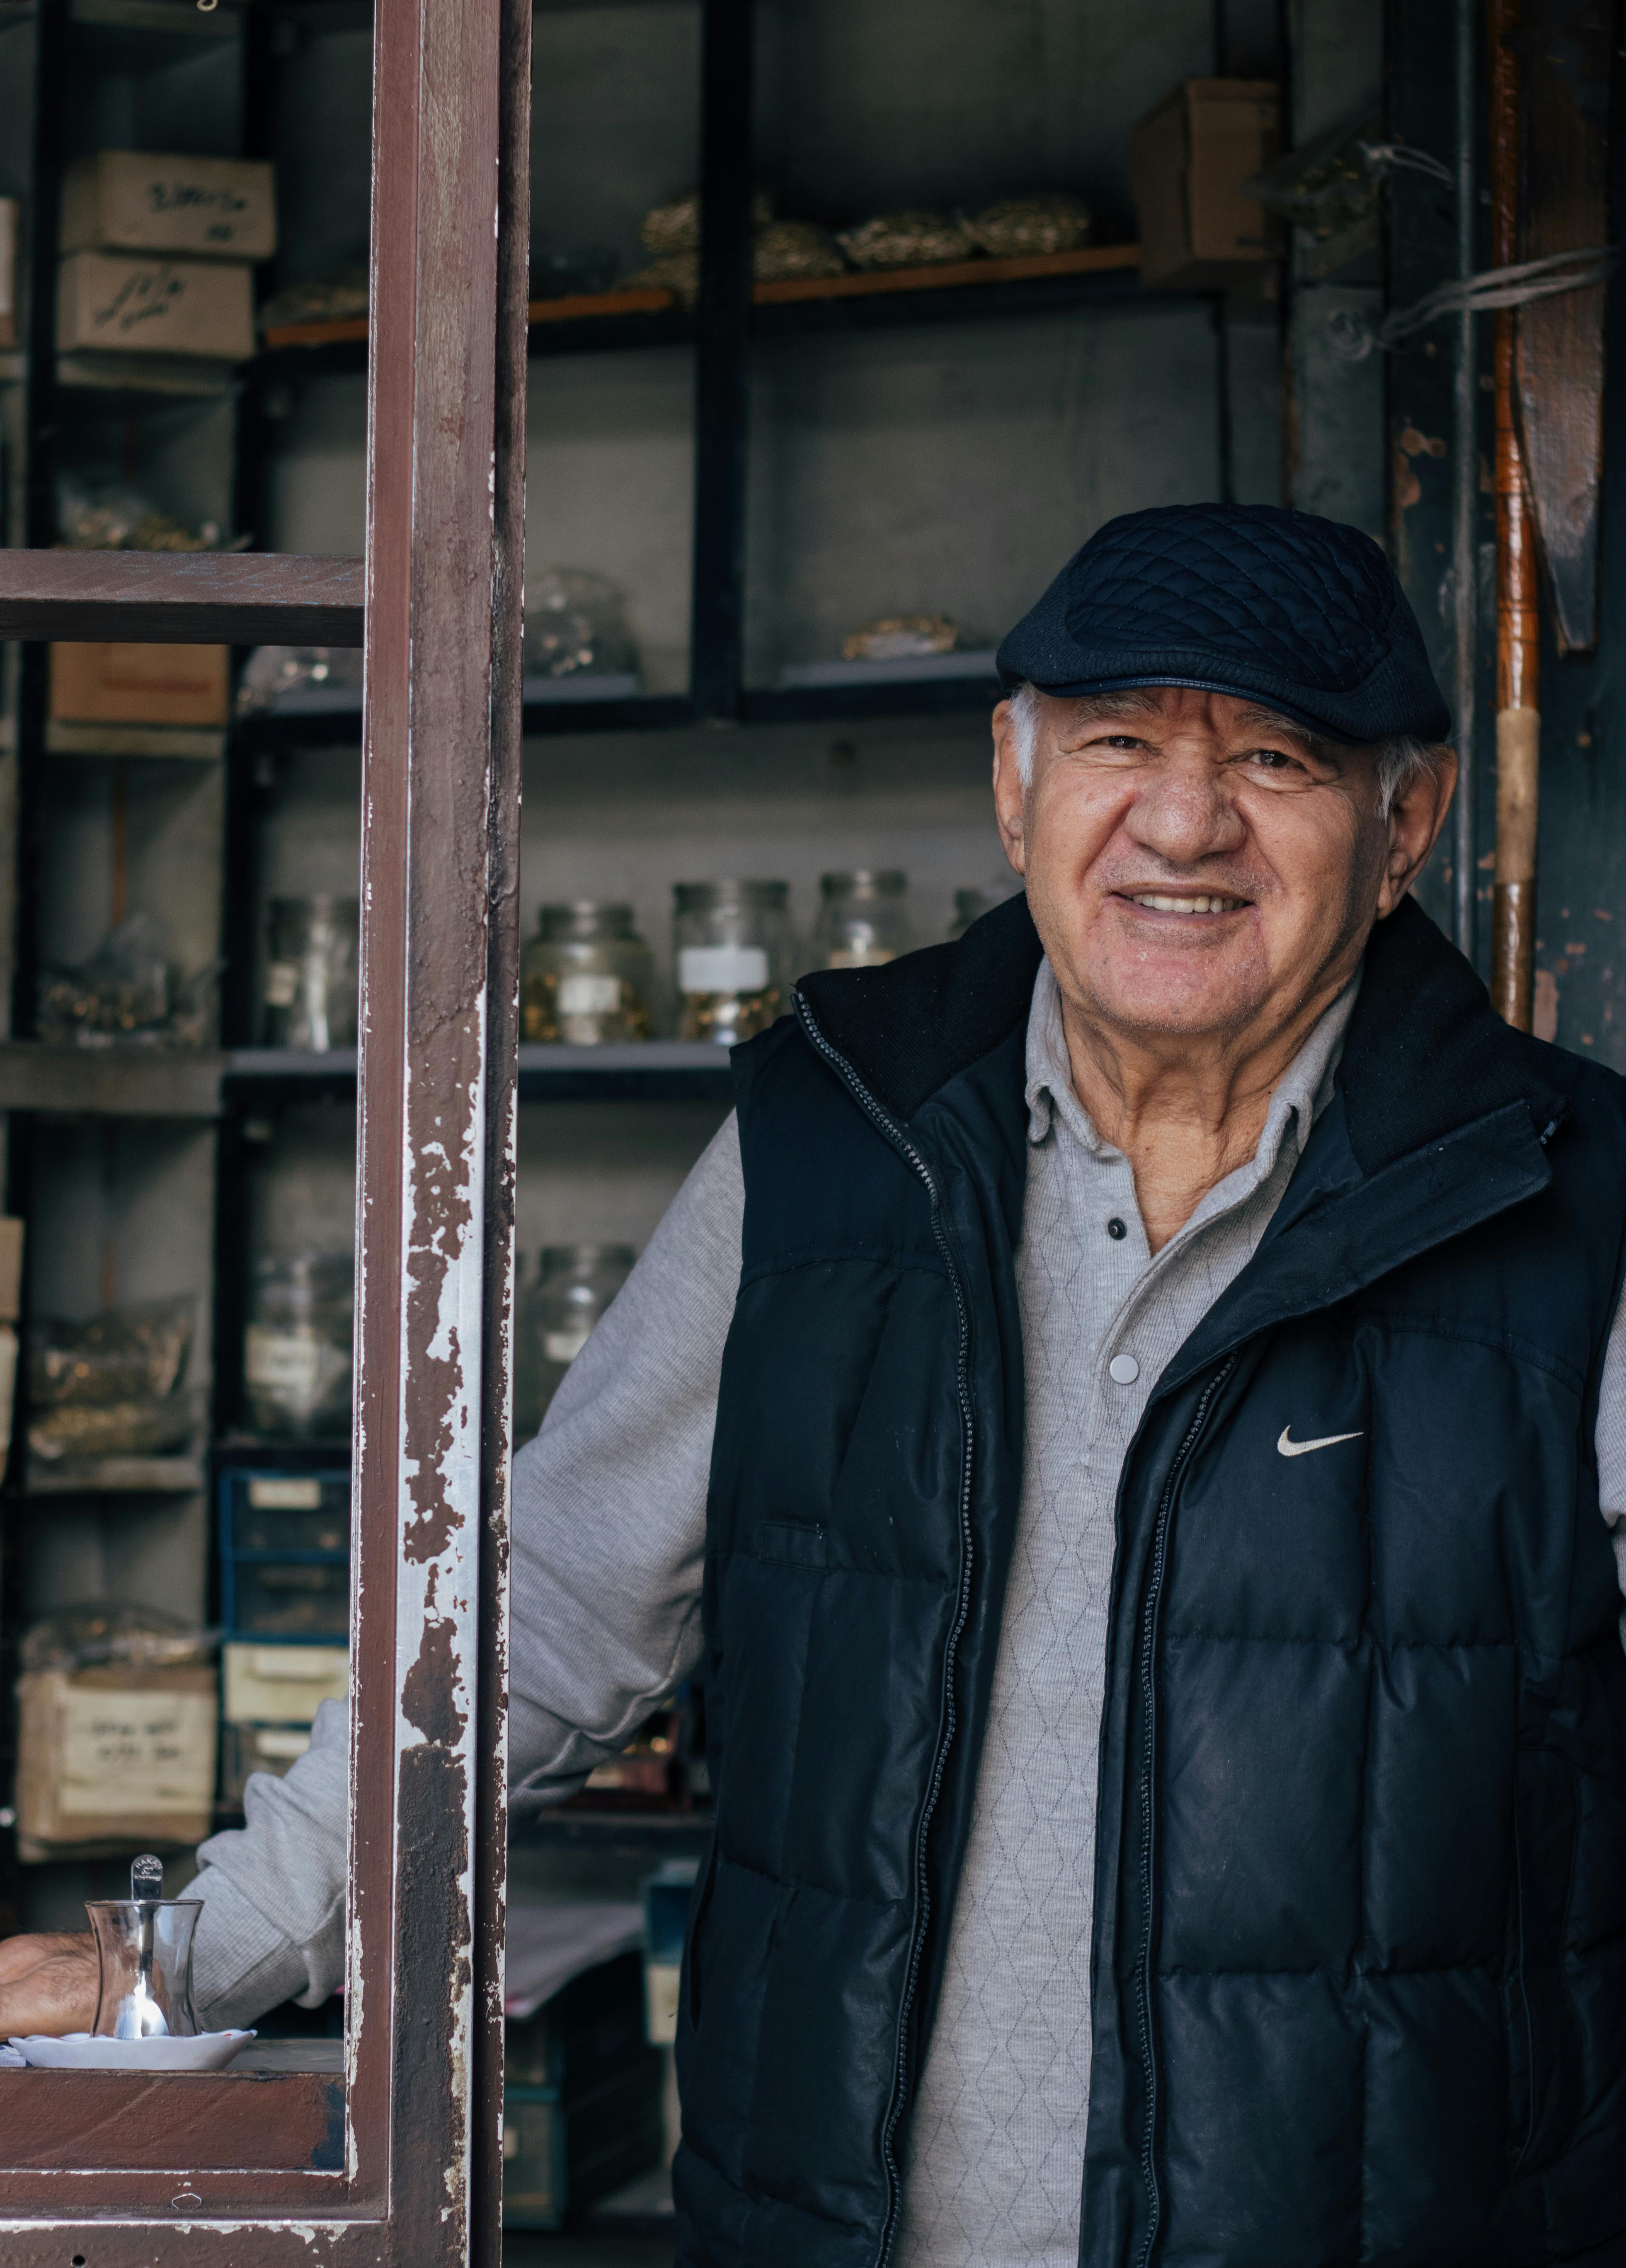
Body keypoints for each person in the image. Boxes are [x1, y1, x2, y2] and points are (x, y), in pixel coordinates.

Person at [5, 501, 1626, 2268]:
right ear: (1012, 785)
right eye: (1115, 743)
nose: (1182, 821)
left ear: (1405, 826)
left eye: (1274, 757)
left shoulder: (1567, 1205)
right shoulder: (835, 1139)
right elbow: (548, 1607)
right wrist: (194, 1953)